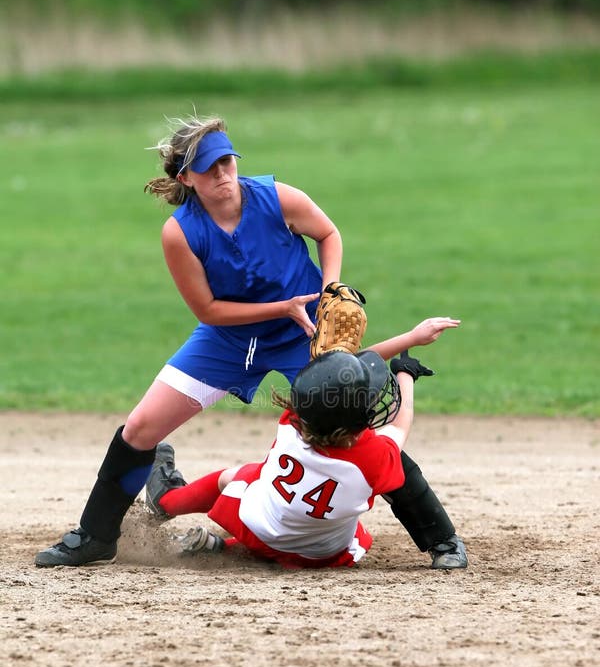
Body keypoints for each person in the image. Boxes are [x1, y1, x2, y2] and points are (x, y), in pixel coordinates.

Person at [34, 114, 466, 570]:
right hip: (227, 338)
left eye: (227, 162)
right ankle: (96, 536)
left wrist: (330, 291)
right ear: (186, 178)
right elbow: (208, 311)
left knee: (353, 426)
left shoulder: (276, 198)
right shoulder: (180, 232)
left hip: (300, 331)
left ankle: (442, 540)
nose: (222, 174)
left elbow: (328, 233)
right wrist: (281, 307)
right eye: (208, 168)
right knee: (140, 429)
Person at [144, 343, 466, 570]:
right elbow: (400, 424)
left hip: (257, 533)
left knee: (241, 475)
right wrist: (405, 374)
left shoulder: (291, 420)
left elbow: (324, 395)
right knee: (399, 468)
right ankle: (444, 545)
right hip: (324, 557)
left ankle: (169, 501)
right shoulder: (371, 458)